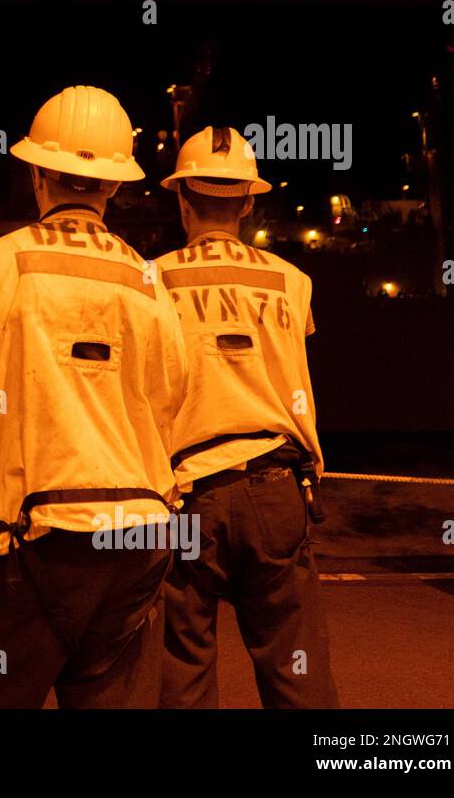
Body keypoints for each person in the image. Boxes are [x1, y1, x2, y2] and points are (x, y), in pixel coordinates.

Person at [0, 86, 188, 708]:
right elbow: (170, 399)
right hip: (139, 537)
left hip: (28, 543)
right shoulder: (152, 284)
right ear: (114, 186)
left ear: (36, 173)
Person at [155, 125, 339, 708]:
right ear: (250, 201)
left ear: (182, 198)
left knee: (181, 664)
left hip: (186, 493)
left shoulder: (151, 281)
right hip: (277, 487)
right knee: (295, 665)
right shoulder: (292, 281)